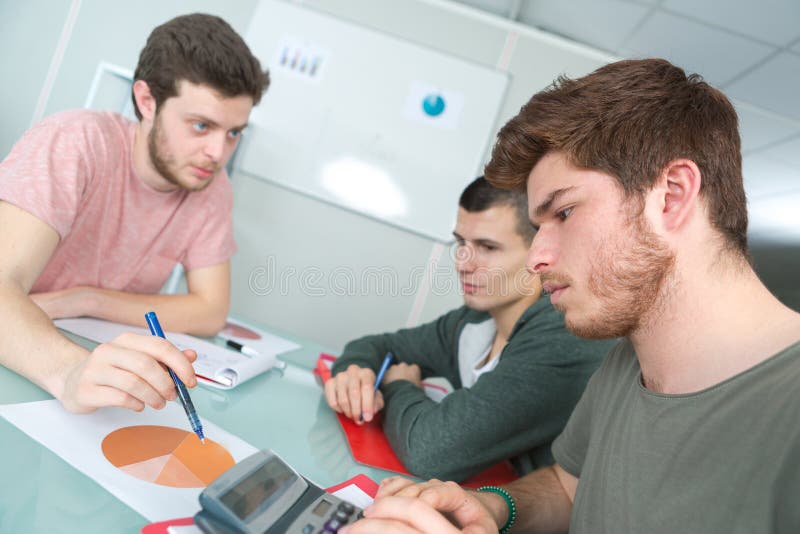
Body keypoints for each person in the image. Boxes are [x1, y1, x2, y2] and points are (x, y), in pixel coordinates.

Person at [340, 59, 800, 533]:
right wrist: (495, 507)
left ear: (672, 195)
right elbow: (568, 486)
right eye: (538, 228)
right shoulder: (628, 361)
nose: (537, 259)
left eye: (563, 212)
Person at [0, 14, 269, 414]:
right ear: (147, 101)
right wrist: (71, 372)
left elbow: (210, 311)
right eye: (201, 125)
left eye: (233, 133)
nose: (218, 153)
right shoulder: (75, 142)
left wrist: (85, 299)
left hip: (81, 362)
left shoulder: (208, 185)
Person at [325, 177, 613, 482]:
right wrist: (355, 373)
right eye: (461, 243)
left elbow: (431, 452)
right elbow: (380, 346)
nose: (463, 263)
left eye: (487, 247)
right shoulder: (474, 320)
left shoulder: (564, 336)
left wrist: (399, 386)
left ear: (540, 252)